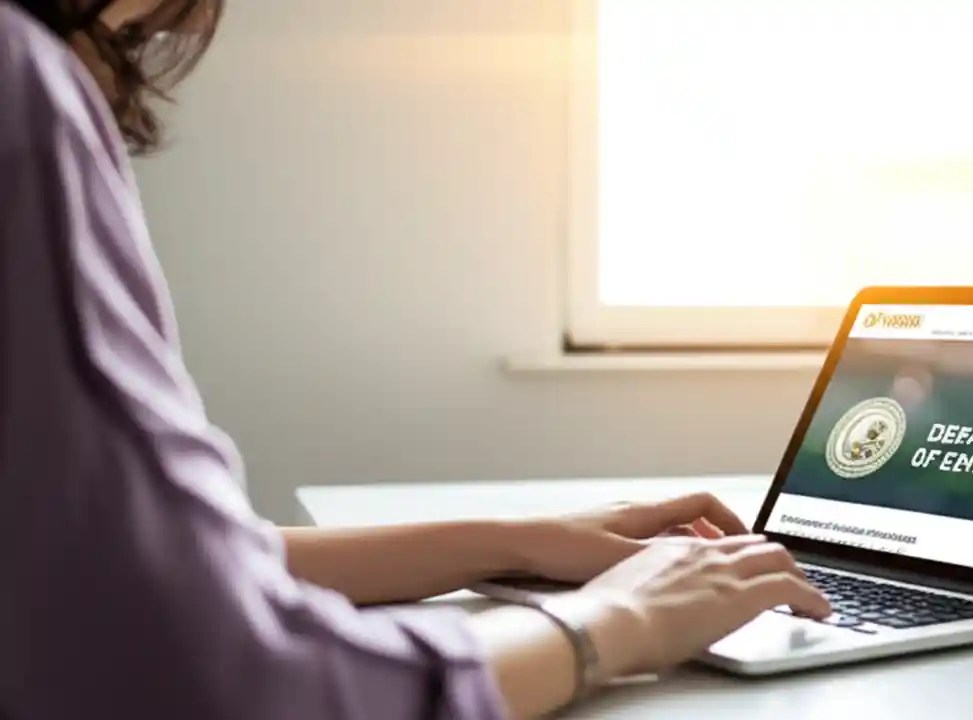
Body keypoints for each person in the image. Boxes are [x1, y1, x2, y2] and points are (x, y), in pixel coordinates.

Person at [0, 1, 831, 718]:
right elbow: (234, 681)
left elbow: (128, 565)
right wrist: (621, 621)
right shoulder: (21, 81)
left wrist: (517, 542)